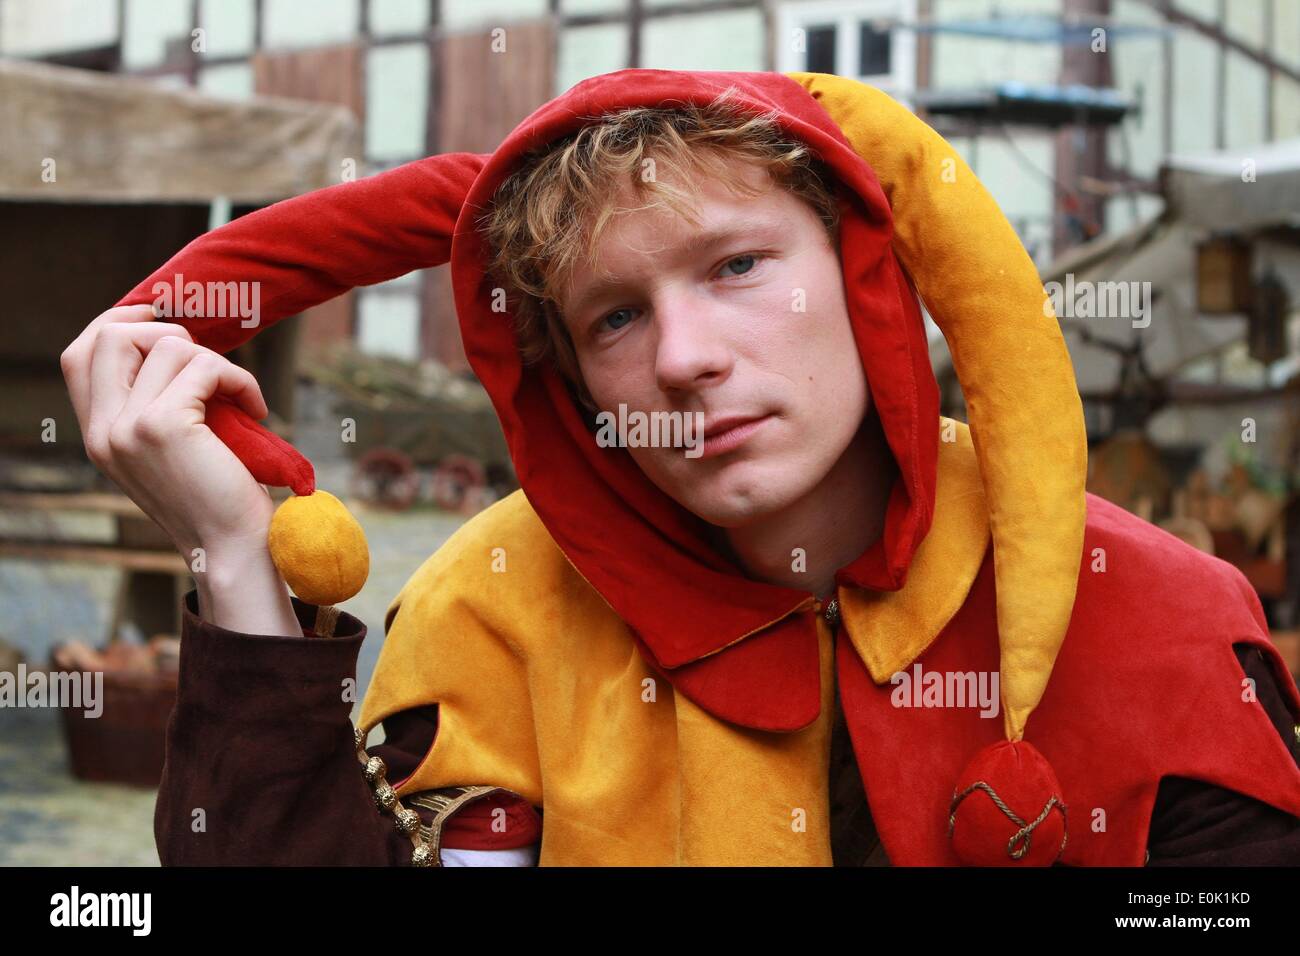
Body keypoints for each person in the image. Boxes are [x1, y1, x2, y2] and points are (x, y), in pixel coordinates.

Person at [61, 70, 1300, 866]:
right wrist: (233, 558)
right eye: (612, 317)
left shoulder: (1152, 611)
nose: (686, 359)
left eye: (736, 265)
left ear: (866, 276)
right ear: (570, 383)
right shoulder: (487, 620)